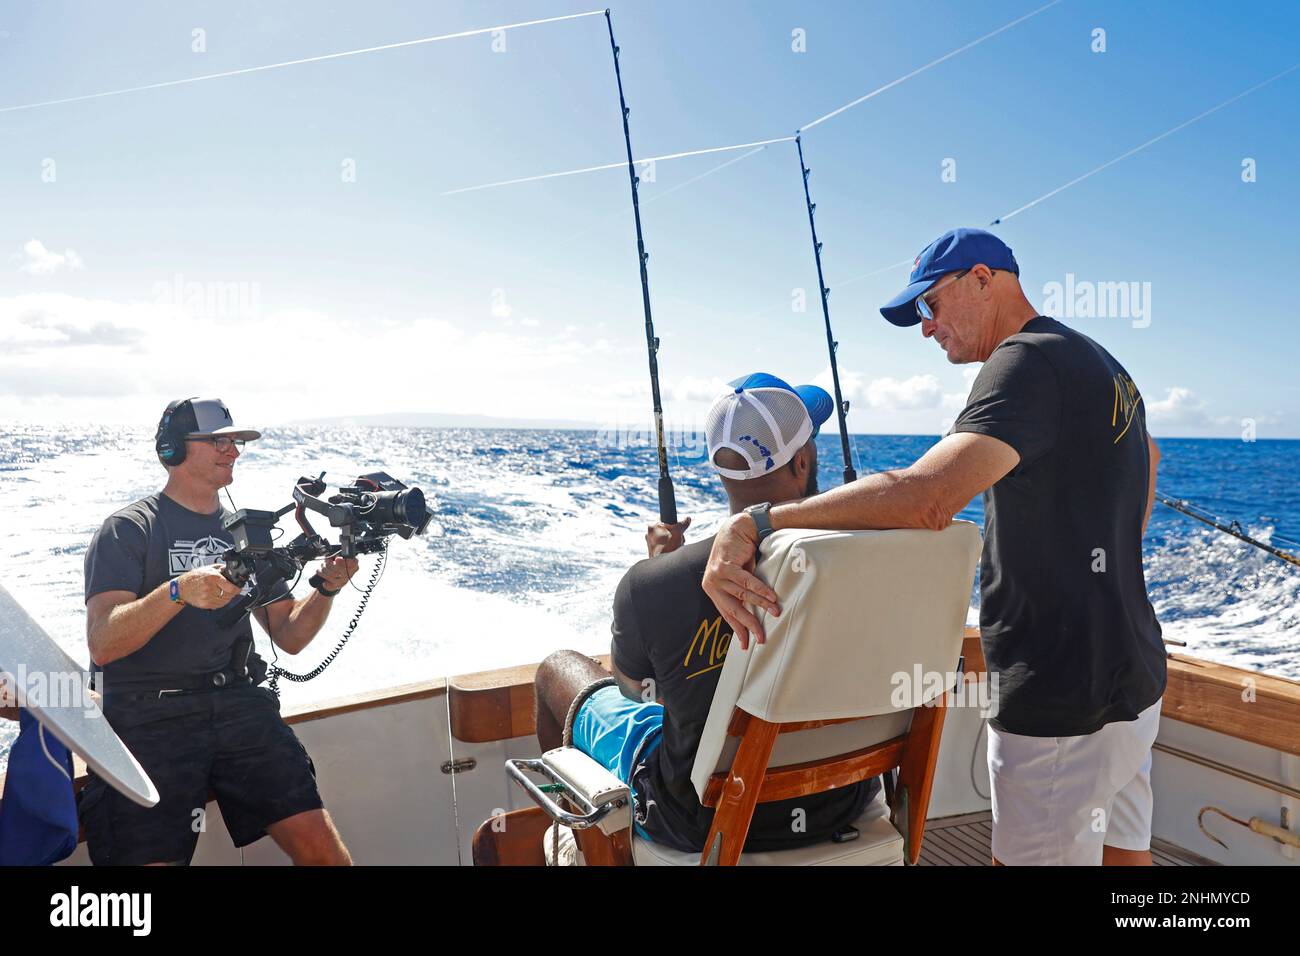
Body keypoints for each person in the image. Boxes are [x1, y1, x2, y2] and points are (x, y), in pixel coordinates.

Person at [702, 229, 1164, 867]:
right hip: (1134, 671)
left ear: (982, 278)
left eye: (931, 305)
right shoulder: (1100, 362)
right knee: (1124, 854)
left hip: (1061, 693)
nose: (925, 327)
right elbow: (1151, 458)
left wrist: (762, 519)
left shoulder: (1023, 361)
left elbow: (928, 498)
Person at [536, 374, 877, 855]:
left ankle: (581, 850)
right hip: (844, 798)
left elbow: (636, 693)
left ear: (723, 473)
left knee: (556, 670)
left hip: (698, 819)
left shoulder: (650, 585)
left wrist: (658, 571)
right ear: (803, 461)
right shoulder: (878, 562)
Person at [80, 397, 357, 865]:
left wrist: (326, 590)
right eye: (218, 441)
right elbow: (104, 644)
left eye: (235, 442)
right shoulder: (129, 530)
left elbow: (288, 634)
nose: (232, 451)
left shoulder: (247, 532)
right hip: (150, 717)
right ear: (172, 449)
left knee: (323, 851)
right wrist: (178, 591)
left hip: (236, 704)